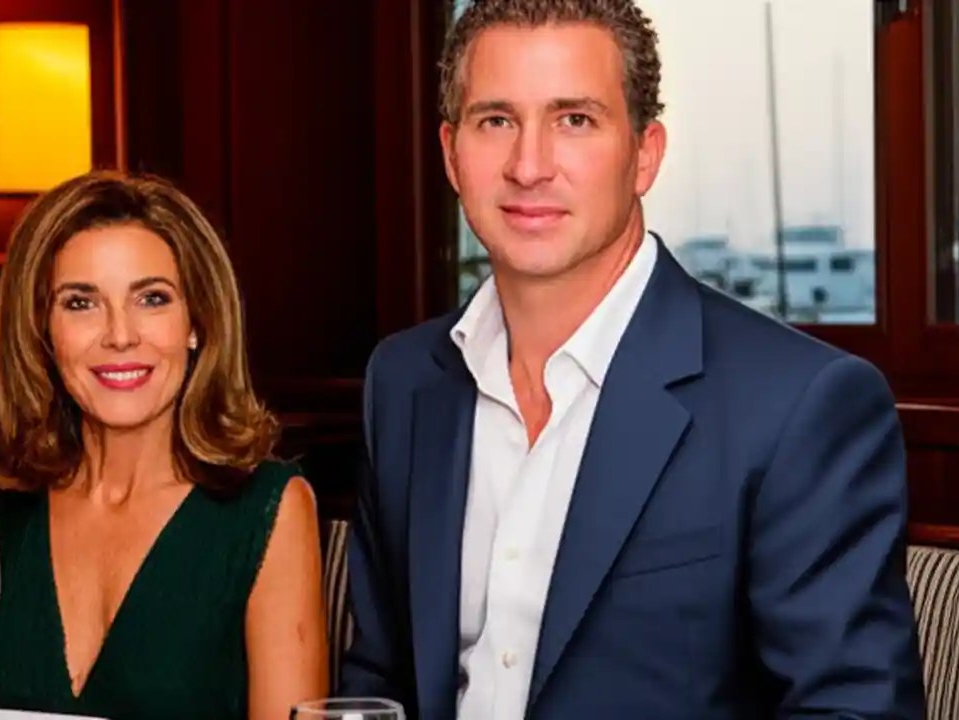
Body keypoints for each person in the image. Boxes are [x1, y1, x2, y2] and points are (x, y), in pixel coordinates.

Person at [339, 1, 925, 718]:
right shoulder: (402, 383)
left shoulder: (799, 405)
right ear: (450, 153)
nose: (529, 166)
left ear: (645, 154)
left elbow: (853, 710)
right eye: (496, 121)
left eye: (574, 120)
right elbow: (379, 681)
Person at [0, 170, 329, 720]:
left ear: (196, 322)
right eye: (81, 303)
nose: (120, 335)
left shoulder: (270, 508)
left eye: (152, 299)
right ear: (41, 331)